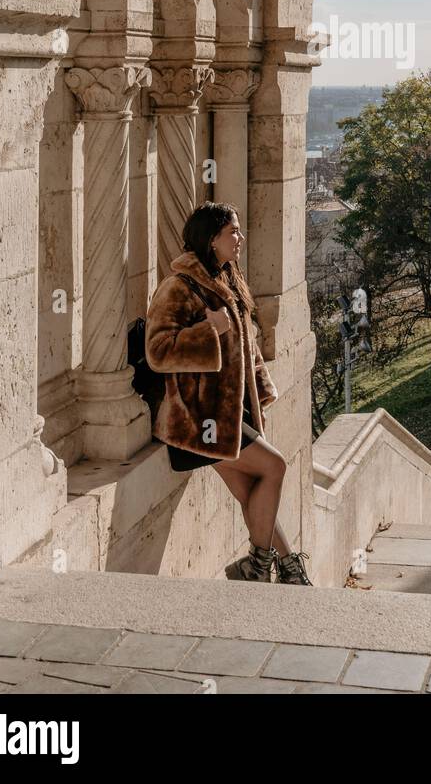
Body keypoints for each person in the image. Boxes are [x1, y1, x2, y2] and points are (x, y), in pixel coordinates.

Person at [145, 201, 312, 586]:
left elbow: (247, 347)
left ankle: (287, 569)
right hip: (199, 420)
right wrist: (210, 331)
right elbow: (158, 351)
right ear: (211, 238)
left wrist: (261, 397)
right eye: (232, 232)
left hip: (232, 412)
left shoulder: (226, 279)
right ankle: (259, 566)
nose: (240, 238)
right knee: (275, 467)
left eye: (238, 231)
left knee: (255, 490)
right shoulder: (178, 286)